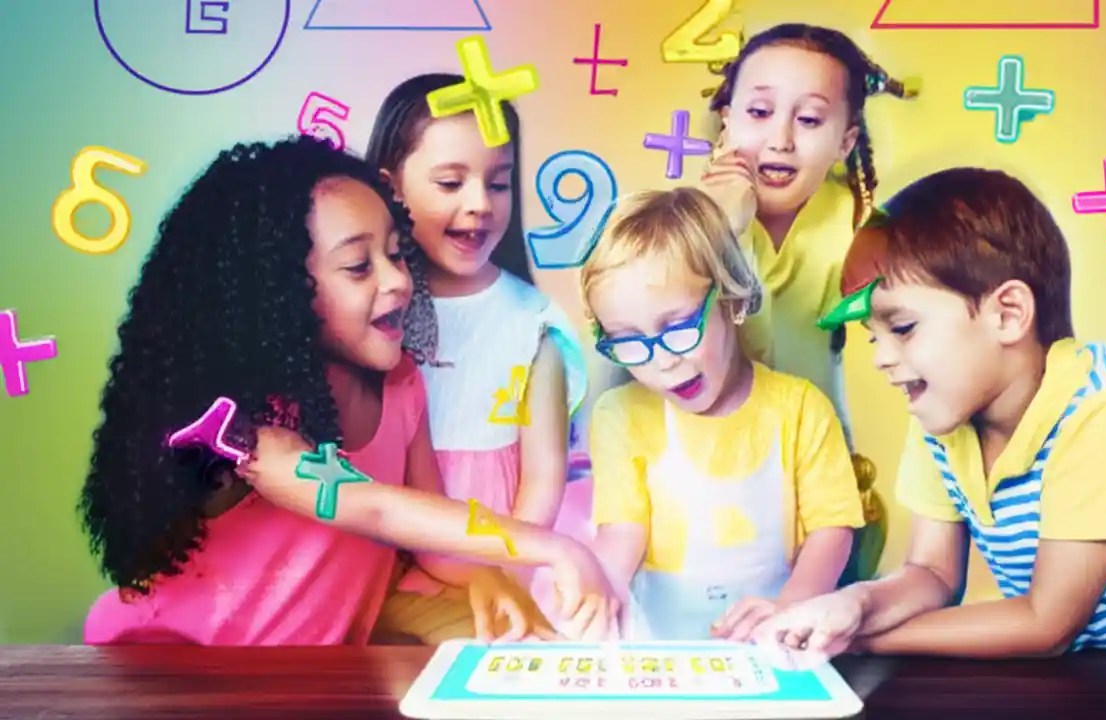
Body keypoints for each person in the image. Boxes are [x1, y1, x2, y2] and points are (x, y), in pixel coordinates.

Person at [79, 136, 615, 646]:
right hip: (174, 664)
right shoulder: (255, 427)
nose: (398, 280)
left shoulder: (404, 386)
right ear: (279, 293)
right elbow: (372, 508)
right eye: (360, 266)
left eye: (397, 253)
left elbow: (425, 528)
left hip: (303, 683)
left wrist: (479, 575)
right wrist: (551, 547)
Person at [755, 167, 1106, 657]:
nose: (881, 357)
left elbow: (1045, 624)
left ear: (1008, 314)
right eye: (873, 336)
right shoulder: (940, 417)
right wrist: (853, 605)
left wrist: (857, 639)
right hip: (1094, 675)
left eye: (904, 328)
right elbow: (932, 574)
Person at [573, 187, 863, 642]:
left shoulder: (800, 408)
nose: (662, 360)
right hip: (658, 650)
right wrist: (595, 592)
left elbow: (832, 530)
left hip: (773, 642)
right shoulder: (619, 414)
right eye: (628, 339)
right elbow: (622, 532)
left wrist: (789, 607)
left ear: (730, 297)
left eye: (678, 327)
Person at [363, 73, 593, 644]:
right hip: (383, 562)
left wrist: (501, 566)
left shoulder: (531, 324)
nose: (479, 205)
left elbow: (542, 479)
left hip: (505, 557)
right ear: (391, 189)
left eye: (498, 183)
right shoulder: (372, 316)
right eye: (450, 182)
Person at [699, 23, 917, 584]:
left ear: (845, 141)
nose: (780, 140)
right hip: (698, 481)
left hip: (818, 484)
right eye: (759, 113)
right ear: (728, 121)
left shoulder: (857, 227)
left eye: (810, 119)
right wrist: (722, 230)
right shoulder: (676, 223)